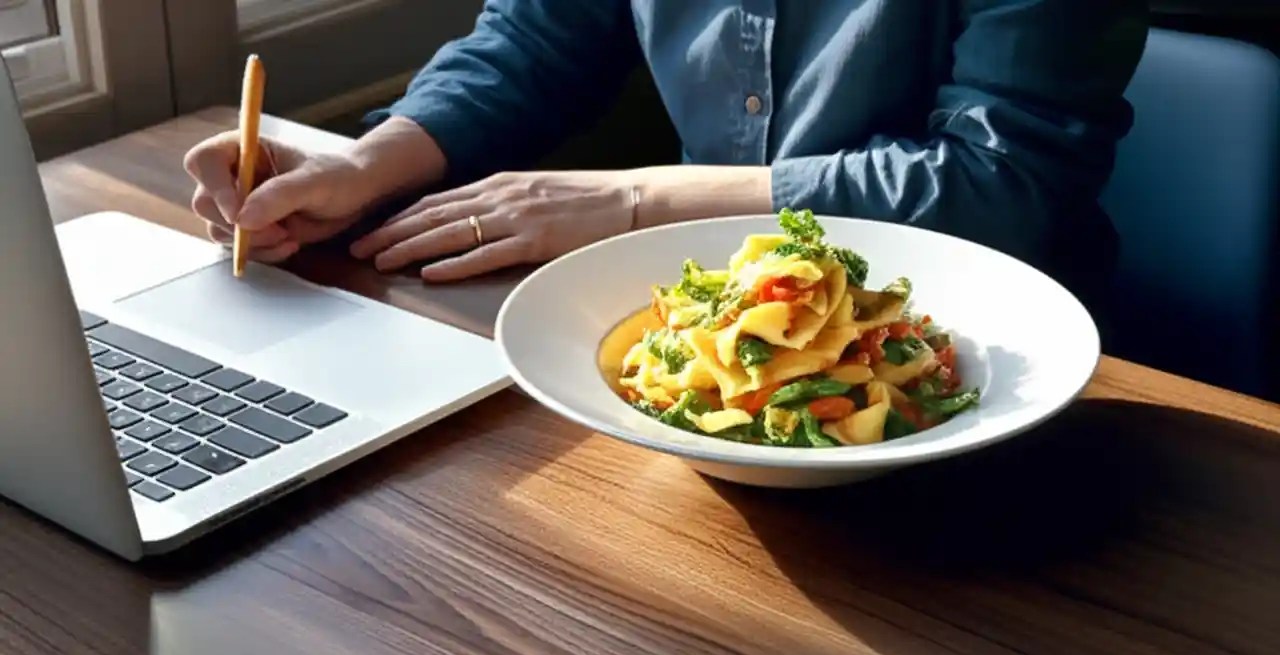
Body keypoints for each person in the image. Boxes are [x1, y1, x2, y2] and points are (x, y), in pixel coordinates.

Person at [184, 0, 1147, 312]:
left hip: (982, 345)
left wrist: (638, 199)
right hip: (711, 328)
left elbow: (1001, 179)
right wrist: (369, 166)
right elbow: (536, 40)